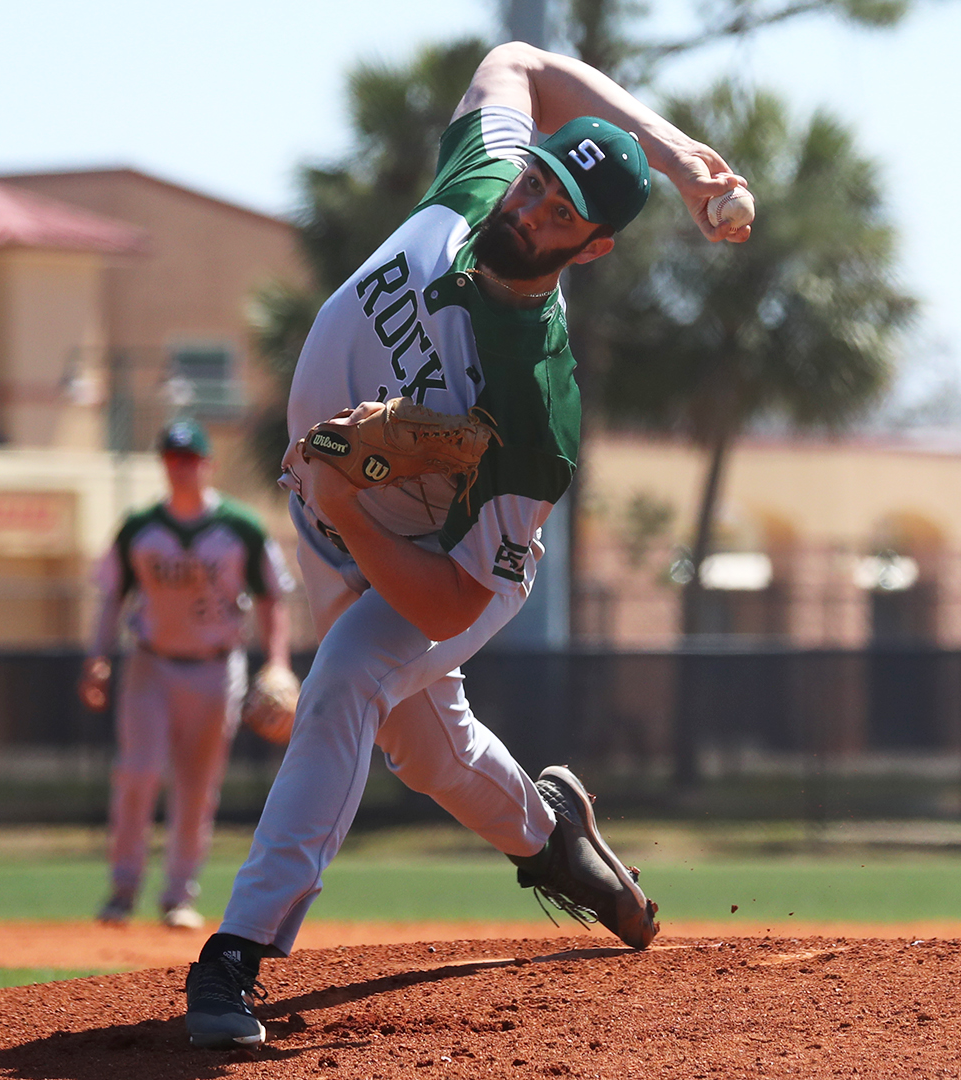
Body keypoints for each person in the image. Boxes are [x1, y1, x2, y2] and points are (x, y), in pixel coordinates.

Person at [182, 41, 750, 1048]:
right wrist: (675, 151)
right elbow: (520, 58)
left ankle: (237, 954)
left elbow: (448, 604)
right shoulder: (483, 179)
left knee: (349, 681)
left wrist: (349, 502)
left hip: (444, 567)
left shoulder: (535, 403)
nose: (529, 208)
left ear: (592, 249)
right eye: (537, 181)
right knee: (422, 743)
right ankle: (555, 836)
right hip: (332, 513)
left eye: (561, 214)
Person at [79, 418, 295, 931]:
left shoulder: (241, 527)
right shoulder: (140, 528)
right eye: (172, 459)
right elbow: (112, 596)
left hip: (216, 668)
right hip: (150, 664)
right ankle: (122, 889)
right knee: (138, 773)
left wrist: (279, 661)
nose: (181, 468)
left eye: (189, 459)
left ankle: (178, 896)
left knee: (198, 786)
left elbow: (272, 597)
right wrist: (97, 656)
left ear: (208, 465)